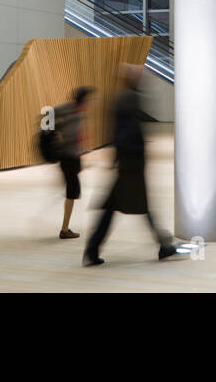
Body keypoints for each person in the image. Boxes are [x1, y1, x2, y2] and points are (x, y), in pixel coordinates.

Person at [84, 65, 177, 264]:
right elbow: (126, 133)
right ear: (132, 79)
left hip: (127, 164)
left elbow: (117, 132)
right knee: (140, 206)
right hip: (131, 165)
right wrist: (131, 155)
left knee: (113, 208)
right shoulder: (130, 98)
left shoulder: (123, 98)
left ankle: (92, 250)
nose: (142, 79)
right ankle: (163, 245)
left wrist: (116, 160)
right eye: (139, 76)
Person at [53, 86, 94, 239]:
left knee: (72, 192)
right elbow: (47, 114)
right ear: (82, 101)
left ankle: (65, 228)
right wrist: (55, 135)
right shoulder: (69, 110)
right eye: (89, 100)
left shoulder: (76, 111)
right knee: (71, 193)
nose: (90, 103)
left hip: (72, 158)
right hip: (68, 158)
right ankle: (64, 229)